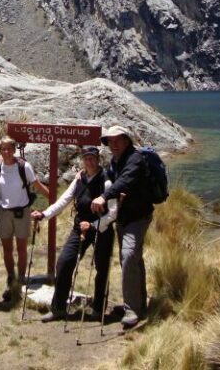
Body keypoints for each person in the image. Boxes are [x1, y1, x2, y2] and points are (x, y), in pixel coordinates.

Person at [31, 146, 117, 322]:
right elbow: (63, 201)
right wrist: (44, 214)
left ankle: (98, 309)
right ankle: (58, 309)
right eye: (86, 158)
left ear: (98, 159)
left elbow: (114, 212)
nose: (89, 161)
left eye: (92, 158)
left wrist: (94, 225)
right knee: (64, 262)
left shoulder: (107, 181)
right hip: (80, 228)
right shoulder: (79, 179)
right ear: (82, 160)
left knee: (101, 268)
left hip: (102, 229)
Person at [91, 125, 153, 329]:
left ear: (126, 140)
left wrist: (104, 196)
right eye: (110, 141)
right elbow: (112, 179)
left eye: (117, 140)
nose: (113, 145)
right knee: (133, 258)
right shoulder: (114, 161)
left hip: (138, 217)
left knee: (128, 256)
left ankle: (131, 310)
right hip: (123, 217)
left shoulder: (135, 159)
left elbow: (125, 181)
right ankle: (140, 304)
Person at [0, 136, 50, 301]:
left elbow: (37, 186)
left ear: (14, 149)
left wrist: (55, 201)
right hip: (3, 213)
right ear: (0, 151)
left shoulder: (24, 167)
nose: (6, 152)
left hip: (22, 212)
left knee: (22, 248)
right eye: (3, 149)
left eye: (9, 148)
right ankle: (11, 278)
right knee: (7, 249)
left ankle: (22, 278)